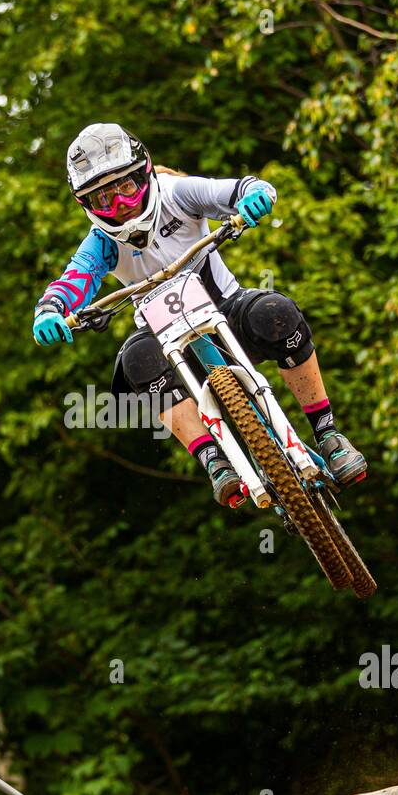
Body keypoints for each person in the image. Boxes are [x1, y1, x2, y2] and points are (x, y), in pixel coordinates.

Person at [32, 123, 366, 507]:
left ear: (145, 174)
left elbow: (235, 189)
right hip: (165, 341)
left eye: (125, 187)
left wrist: (254, 195)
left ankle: (328, 431)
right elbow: (74, 278)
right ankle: (213, 460)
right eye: (104, 199)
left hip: (228, 310)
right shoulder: (102, 242)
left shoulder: (177, 194)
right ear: (87, 206)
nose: (120, 205)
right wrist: (50, 310)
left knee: (277, 311)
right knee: (134, 360)